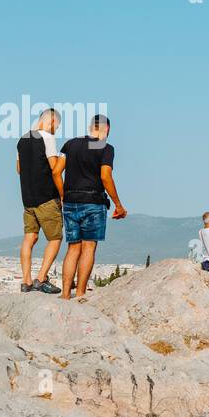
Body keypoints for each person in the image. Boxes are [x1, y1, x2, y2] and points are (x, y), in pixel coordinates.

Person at [58, 115, 127, 300]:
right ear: (107, 129)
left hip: (70, 201)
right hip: (93, 202)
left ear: (91, 127)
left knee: (73, 248)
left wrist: (64, 196)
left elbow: (56, 171)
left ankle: (65, 294)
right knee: (88, 248)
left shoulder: (70, 144)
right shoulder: (105, 148)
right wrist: (118, 204)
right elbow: (106, 176)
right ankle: (80, 293)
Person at [14, 109, 63, 294]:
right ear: (51, 121)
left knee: (30, 238)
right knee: (56, 238)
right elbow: (55, 168)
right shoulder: (48, 138)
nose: (56, 130)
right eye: (56, 126)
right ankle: (41, 278)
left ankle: (25, 281)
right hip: (46, 197)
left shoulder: (22, 139)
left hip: (27, 199)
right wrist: (62, 193)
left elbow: (19, 168)